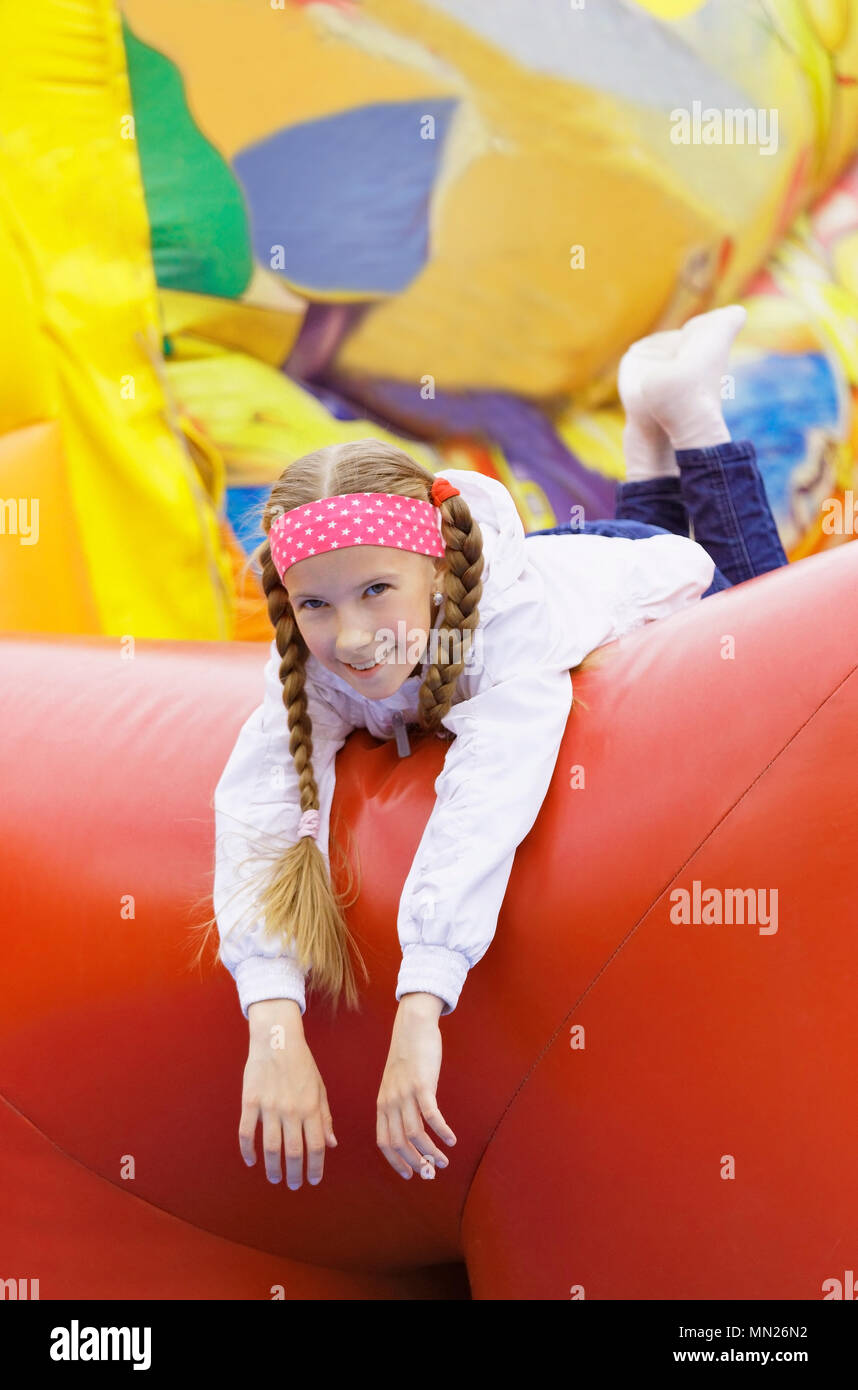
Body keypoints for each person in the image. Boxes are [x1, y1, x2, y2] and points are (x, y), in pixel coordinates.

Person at [203, 305, 786, 1194]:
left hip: (620, 570)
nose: (352, 636)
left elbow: (484, 801)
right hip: (539, 568)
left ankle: (690, 415)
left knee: (766, 629)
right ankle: (644, 425)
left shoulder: (503, 638)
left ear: (434, 571)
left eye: (374, 592)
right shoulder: (320, 658)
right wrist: (272, 1027)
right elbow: (259, 810)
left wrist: (420, 1005)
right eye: (316, 605)